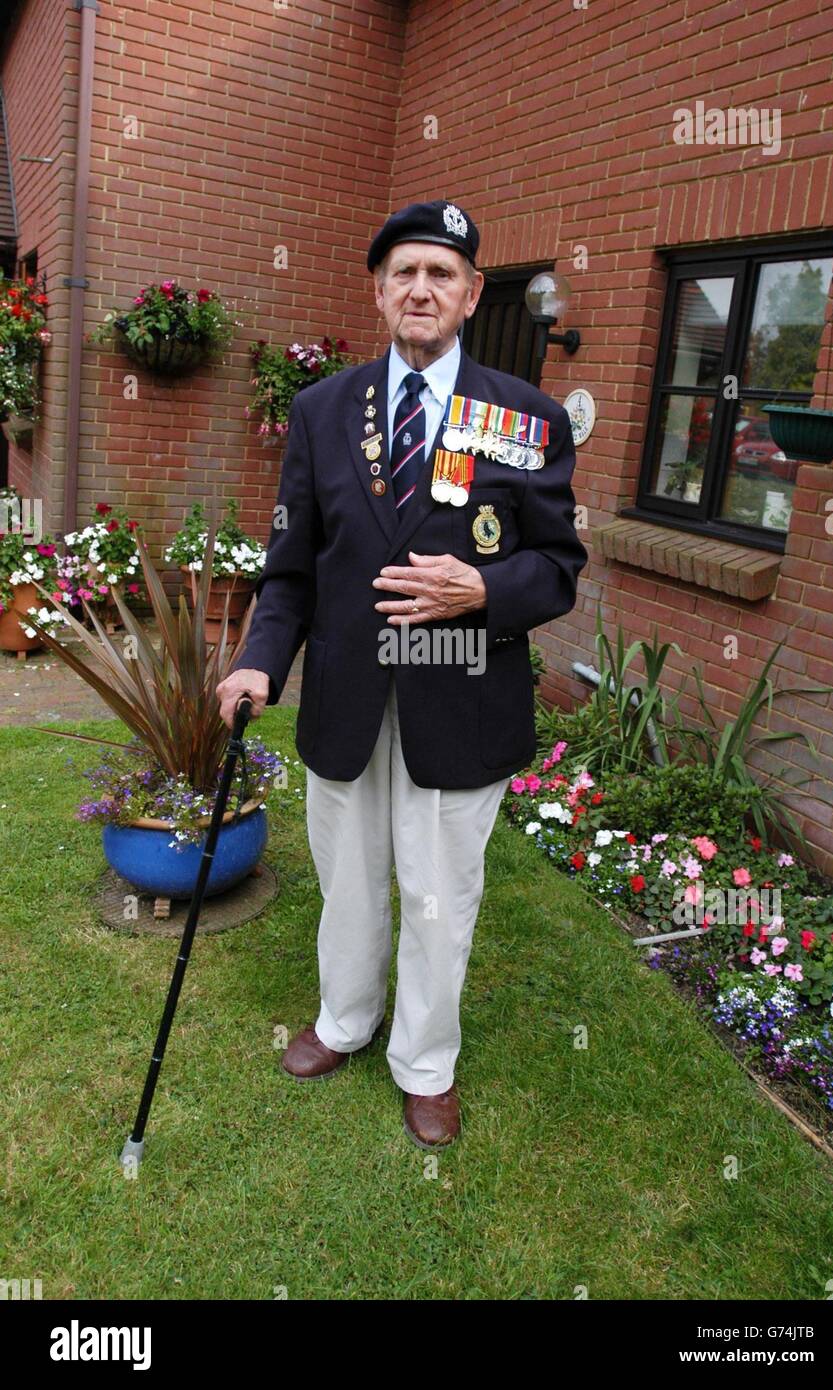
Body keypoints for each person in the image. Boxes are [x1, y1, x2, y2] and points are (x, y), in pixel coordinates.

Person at [216, 198, 588, 1149]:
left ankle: (425, 1061)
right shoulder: (322, 410)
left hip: (459, 686)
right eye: (404, 274)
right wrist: (260, 662)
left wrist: (484, 591)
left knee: (436, 893)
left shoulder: (529, 418)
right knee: (349, 880)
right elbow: (292, 563)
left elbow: (557, 570)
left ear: (470, 295)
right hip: (345, 689)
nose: (422, 289)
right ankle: (345, 1018)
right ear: (380, 293)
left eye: (442, 274)